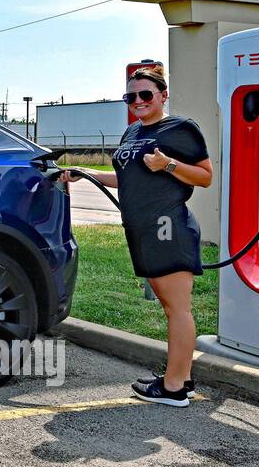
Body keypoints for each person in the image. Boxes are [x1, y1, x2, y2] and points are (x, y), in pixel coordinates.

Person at [59, 63, 213, 407]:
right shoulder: (132, 133)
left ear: (162, 95)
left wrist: (168, 165)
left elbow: (204, 177)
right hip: (141, 228)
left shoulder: (180, 129)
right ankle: (181, 379)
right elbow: (126, 178)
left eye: (146, 94)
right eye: (131, 96)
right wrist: (85, 172)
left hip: (167, 225)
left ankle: (173, 389)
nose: (138, 100)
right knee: (168, 306)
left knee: (177, 308)